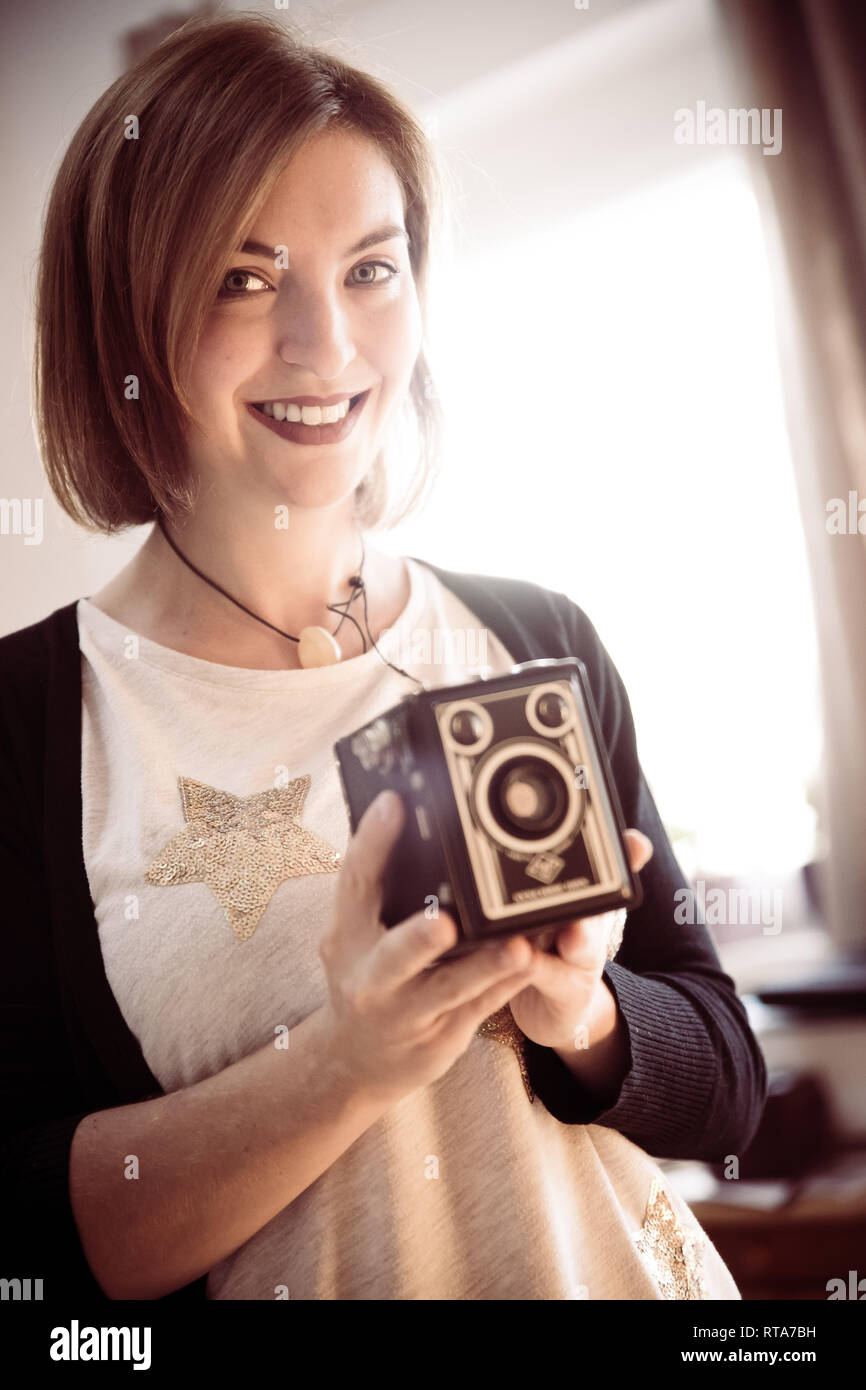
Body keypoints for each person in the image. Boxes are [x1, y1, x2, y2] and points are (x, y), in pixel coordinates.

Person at [1, 11, 766, 1301]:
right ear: (125, 322)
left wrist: (579, 1017)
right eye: (245, 278)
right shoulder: (26, 727)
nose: (328, 345)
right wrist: (349, 1060)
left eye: (371, 267)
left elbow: (728, 1085)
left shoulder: (539, 637)